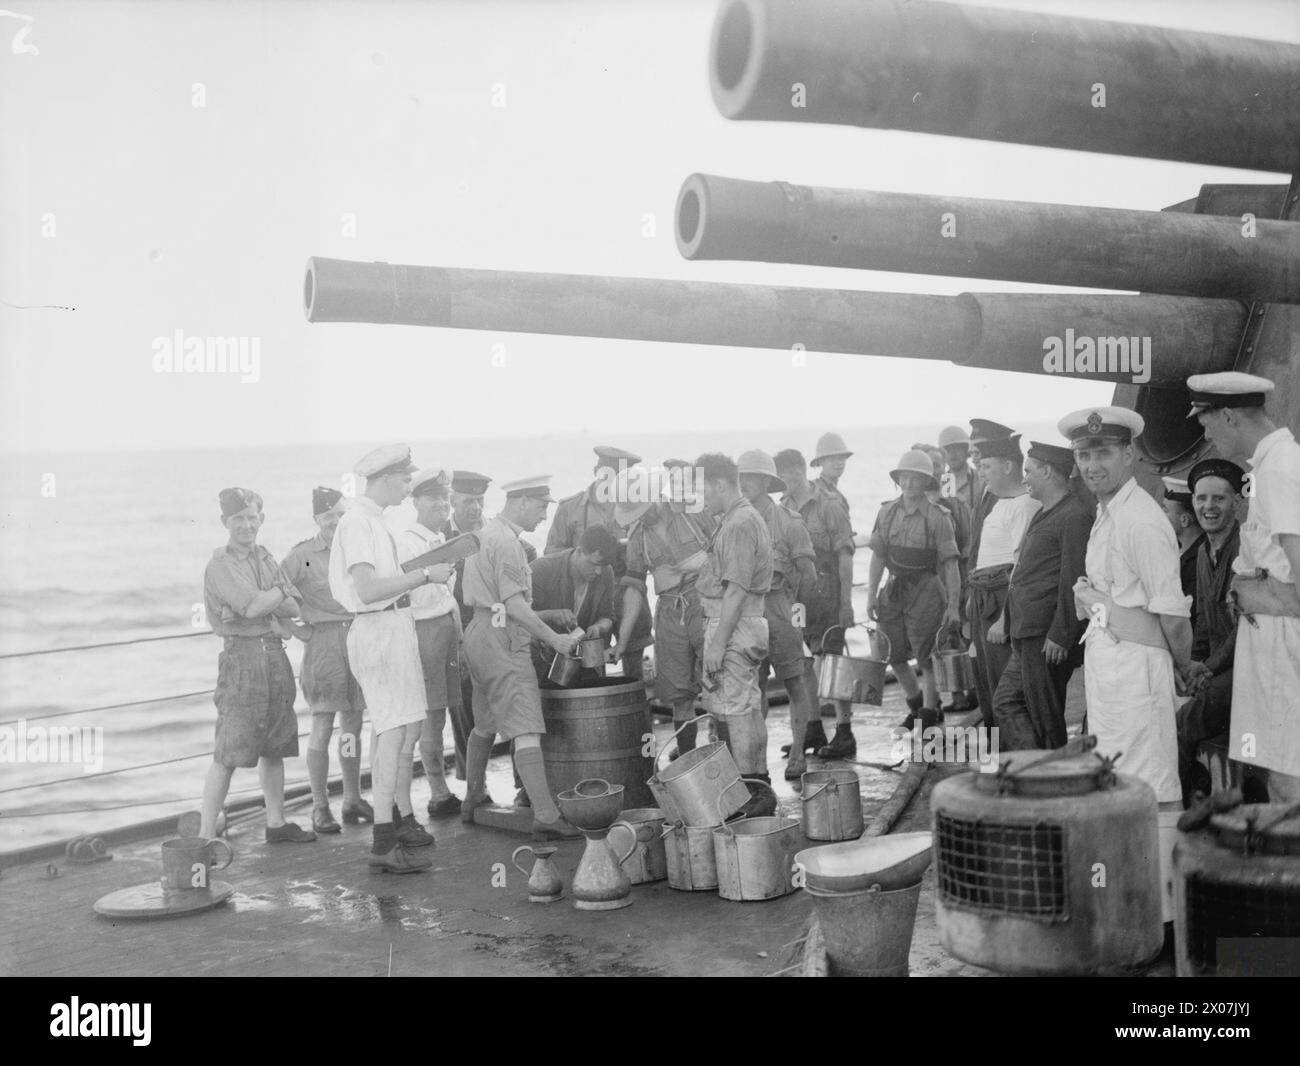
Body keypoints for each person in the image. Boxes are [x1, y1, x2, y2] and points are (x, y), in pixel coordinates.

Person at [1063, 407, 1191, 810]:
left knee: (1152, 787)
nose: (1092, 465)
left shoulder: (1141, 521)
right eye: (1084, 455)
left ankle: (1161, 872)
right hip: (1110, 674)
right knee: (1119, 785)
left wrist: (1184, 668)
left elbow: (1172, 616)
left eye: (1102, 453)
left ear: (1128, 455)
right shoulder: (1108, 513)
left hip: (1138, 675)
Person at [329, 444, 444, 873]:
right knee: (392, 733)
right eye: (402, 479)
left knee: (400, 728)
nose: (406, 486)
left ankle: (392, 824)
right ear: (381, 479)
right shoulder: (358, 523)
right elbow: (367, 590)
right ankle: (382, 841)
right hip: (377, 630)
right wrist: (425, 575)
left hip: (394, 628)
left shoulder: (373, 522)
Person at [1190, 371, 1300, 803]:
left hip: (1281, 650)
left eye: (1206, 424)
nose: (1206, 434)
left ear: (1230, 416)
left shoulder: (1278, 472)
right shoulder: (1276, 465)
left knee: (1288, 778)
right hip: (1270, 648)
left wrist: (1249, 592)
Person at [460, 475, 583, 839]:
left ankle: (472, 797)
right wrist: (555, 640)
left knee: (484, 721)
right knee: (527, 726)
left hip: (478, 633)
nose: (545, 516)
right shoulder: (508, 543)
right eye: (542, 506)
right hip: (503, 638)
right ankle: (546, 815)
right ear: (523, 502)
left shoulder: (483, 535)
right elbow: (514, 606)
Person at [200, 487, 315, 844]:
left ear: (261, 519)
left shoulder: (266, 558)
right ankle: (205, 836)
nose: (246, 525)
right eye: (238, 519)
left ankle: (276, 823)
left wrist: (272, 599)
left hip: (274, 656)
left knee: (275, 744)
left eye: (252, 518)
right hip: (242, 660)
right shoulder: (221, 565)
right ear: (224, 522)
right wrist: (278, 594)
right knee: (229, 751)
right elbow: (252, 608)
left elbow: (295, 608)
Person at [989, 443, 1091, 750]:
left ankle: (1054, 783)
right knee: (1006, 702)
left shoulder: (1073, 516)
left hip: (1045, 637)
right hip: (1027, 631)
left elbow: (1073, 578)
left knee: (1045, 717)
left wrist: (1062, 634)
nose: (1025, 479)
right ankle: (1038, 770)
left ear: (1047, 471)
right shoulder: (1047, 512)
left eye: (1029, 471)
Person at [281, 487, 370, 834]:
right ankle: (320, 806)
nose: (335, 520)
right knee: (322, 726)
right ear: (316, 519)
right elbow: (276, 590)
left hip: (358, 639)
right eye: (327, 515)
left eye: (339, 513)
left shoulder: (356, 549)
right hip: (324, 647)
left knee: (353, 725)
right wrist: (295, 629)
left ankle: (351, 799)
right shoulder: (302, 555)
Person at [616, 464, 715, 761]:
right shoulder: (637, 538)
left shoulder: (692, 512)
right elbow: (634, 590)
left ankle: (725, 755)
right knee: (677, 692)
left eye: (646, 508)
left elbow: (724, 553)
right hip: (669, 611)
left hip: (705, 602)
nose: (644, 516)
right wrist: (622, 641)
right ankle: (689, 758)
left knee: (718, 682)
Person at [696, 453, 775, 818]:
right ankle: (759, 785)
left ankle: (750, 792)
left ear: (720, 484)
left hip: (735, 623)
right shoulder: (739, 518)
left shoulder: (740, 523)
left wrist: (717, 644)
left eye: (705, 488)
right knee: (747, 707)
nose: (703, 496)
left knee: (737, 711)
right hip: (746, 622)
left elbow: (736, 590)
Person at [738, 451, 821, 780]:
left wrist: (793, 612)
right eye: (740, 477)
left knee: (794, 680)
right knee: (752, 687)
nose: (745, 483)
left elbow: (809, 574)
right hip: (745, 609)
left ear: (766, 482)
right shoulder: (733, 521)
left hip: (780, 605)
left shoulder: (788, 520)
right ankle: (758, 763)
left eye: (751, 477)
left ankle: (798, 752)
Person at [865, 450, 962, 730]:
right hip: (894, 589)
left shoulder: (938, 517)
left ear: (925, 482)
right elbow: (878, 556)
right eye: (904, 477)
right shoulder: (886, 512)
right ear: (898, 480)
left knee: (927, 657)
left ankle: (930, 717)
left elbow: (950, 564)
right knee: (891, 653)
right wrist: (871, 593)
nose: (909, 483)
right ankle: (916, 705)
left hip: (926, 590)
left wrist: (953, 605)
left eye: (916, 478)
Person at [773, 448, 855, 756]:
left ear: (799, 471)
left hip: (829, 595)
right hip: (797, 600)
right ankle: (813, 729)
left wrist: (846, 603)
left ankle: (845, 731)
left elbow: (845, 555)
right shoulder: (781, 509)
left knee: (834, 661)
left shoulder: (829, 505)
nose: (782, 482)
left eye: (785, 474)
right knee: (804, 660)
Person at [546, 445, 652, 677]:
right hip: (589, 596)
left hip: (628, 590)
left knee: (634, 665)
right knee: (590, 665)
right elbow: (553, 555)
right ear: (598, 471)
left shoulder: (636, 507)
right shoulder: (570, 508)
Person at [1175, 458, 1244, 806]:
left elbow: (1244, 629)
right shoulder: (1203, 552)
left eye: (1218, 499)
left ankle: (1183, 810)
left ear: (1236, 502)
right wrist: (1193, 664)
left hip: (1246, 669)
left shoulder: (1246, 549)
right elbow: (1203, 623)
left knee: (1184, 721)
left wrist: (1207, 668)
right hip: (1217, 669)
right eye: (1201, 499)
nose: (1208, 507)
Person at [396, 468, 464, 819]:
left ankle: (439, 788)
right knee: (430, 718)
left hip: (446, 629)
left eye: (445, 496)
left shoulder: (440, 539)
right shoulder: (407, 541)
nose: (442, 503)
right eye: (433, 497)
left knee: (442, 713)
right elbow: (406, 593)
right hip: (423, 633)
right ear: (415, 501)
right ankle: (437, 791)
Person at [967, 429, 1041, 732]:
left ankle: (1015, 766)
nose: (981, 473)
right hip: (985, 602)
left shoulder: (1024, 505)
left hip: (1001, 605)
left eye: (986, 466)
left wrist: (1003, 619)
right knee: (986, 686)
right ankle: (998, 763)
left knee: (1005, 693)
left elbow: (1021, 568)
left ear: (1008, 466)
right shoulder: (1001, 502)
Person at [441, 470, 491, 779]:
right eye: (468, 501)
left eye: (480, 500)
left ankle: (521, 785)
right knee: (461, 706)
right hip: (455, 631)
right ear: (452, 501)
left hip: (490, 627)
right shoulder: (440, 538)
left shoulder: (492, 534)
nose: (475, 507)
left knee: (498, 705)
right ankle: (472, 780)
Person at [530, 525, 619, 682]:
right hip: (541, 661)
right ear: (579, 551)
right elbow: (518, 616)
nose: (598, 571)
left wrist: (598, 627)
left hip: (587, 660)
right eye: (593, 564)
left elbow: (607, 616)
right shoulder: (541, 569)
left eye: (602, 566)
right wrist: (551, 615)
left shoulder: (606, 572)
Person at [1162, 476, 1205, 606]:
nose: (1160, 516)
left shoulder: (1199, 562)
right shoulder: (1176, 552)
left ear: (1184, 520)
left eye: (1165, 510)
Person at [809, 431, 854, 517]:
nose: (839, 463)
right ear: (821, 461)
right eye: (832, 458)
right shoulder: (818, 492)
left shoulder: (832, 491)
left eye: (842, 458)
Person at [938, 425, 980, 515]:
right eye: (948, 450)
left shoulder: (981, 479)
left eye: (957, 448)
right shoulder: (940, 483)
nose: (952, 454)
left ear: (966, 450)